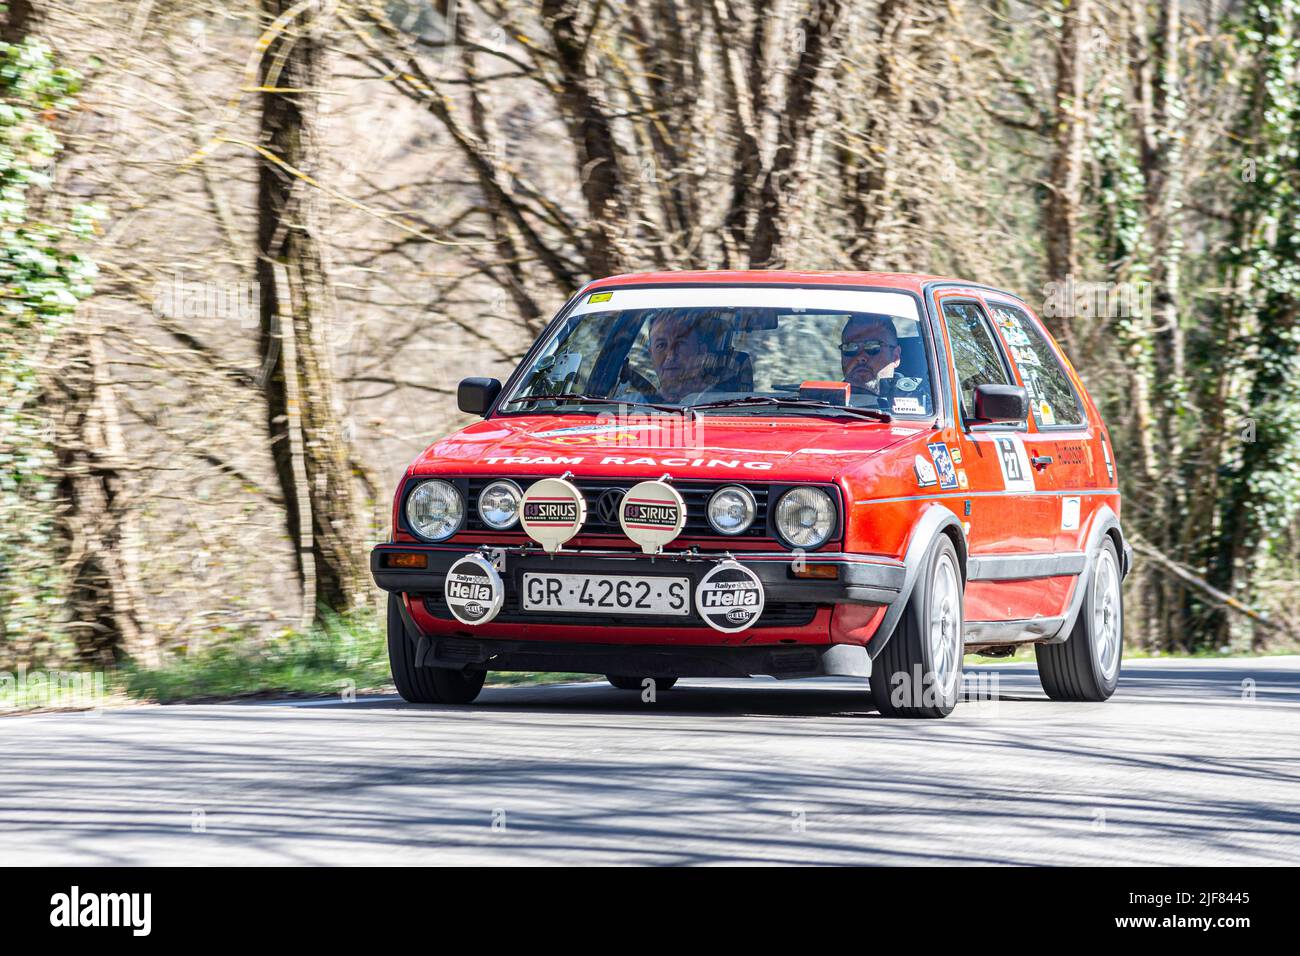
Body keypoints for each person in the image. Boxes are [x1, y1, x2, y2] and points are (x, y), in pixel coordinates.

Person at [840, 313, 902, 400]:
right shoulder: (824, 403)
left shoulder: (920, 403)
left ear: (895, 357)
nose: (860, 357)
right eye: (850, 347)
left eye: (873, 347)